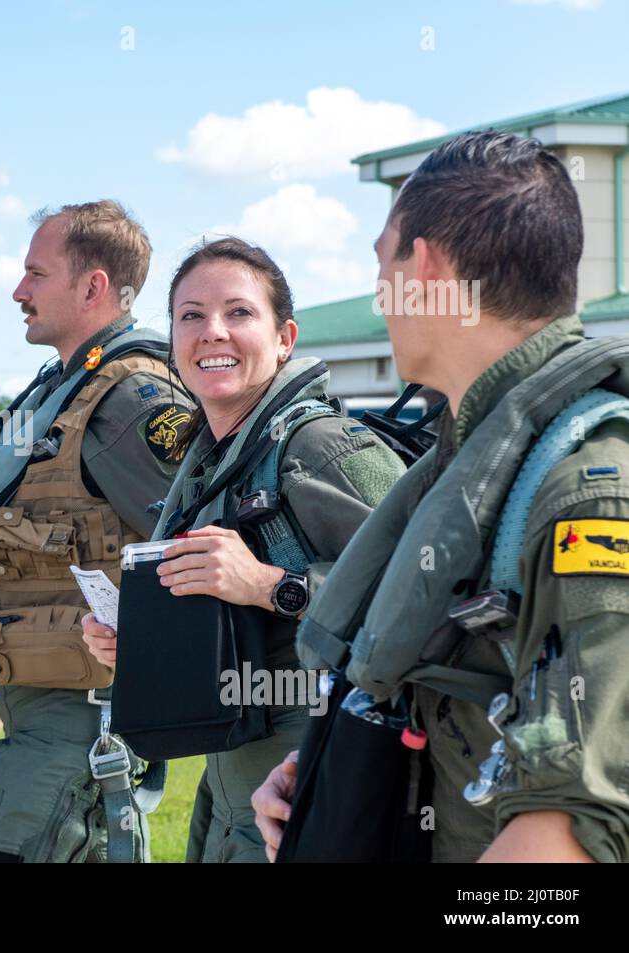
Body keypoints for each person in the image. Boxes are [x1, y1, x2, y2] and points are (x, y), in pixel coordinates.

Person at [253, 130, 629, 863]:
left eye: (380, 262)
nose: (377, 297)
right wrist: (336, 782)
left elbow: (568, 835)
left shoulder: (585, 489)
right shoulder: (475, 458)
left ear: (421, 266)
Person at [82, 237, 406, 862]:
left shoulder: (323, 447)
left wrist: (267, 584)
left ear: (285, 338)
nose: (213, 332)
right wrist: (138, 639)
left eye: (239, 313)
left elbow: (421, 600)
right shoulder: (210, 464)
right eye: (191, 316)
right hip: (233, 784)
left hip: (310, 783)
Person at [0, 200, 196, 862]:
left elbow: (193, 541)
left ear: (93, 286)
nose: (18, 290)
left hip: (84, 715)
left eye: (36, 273)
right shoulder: (62, 389)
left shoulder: (130, 400)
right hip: (42, 700)